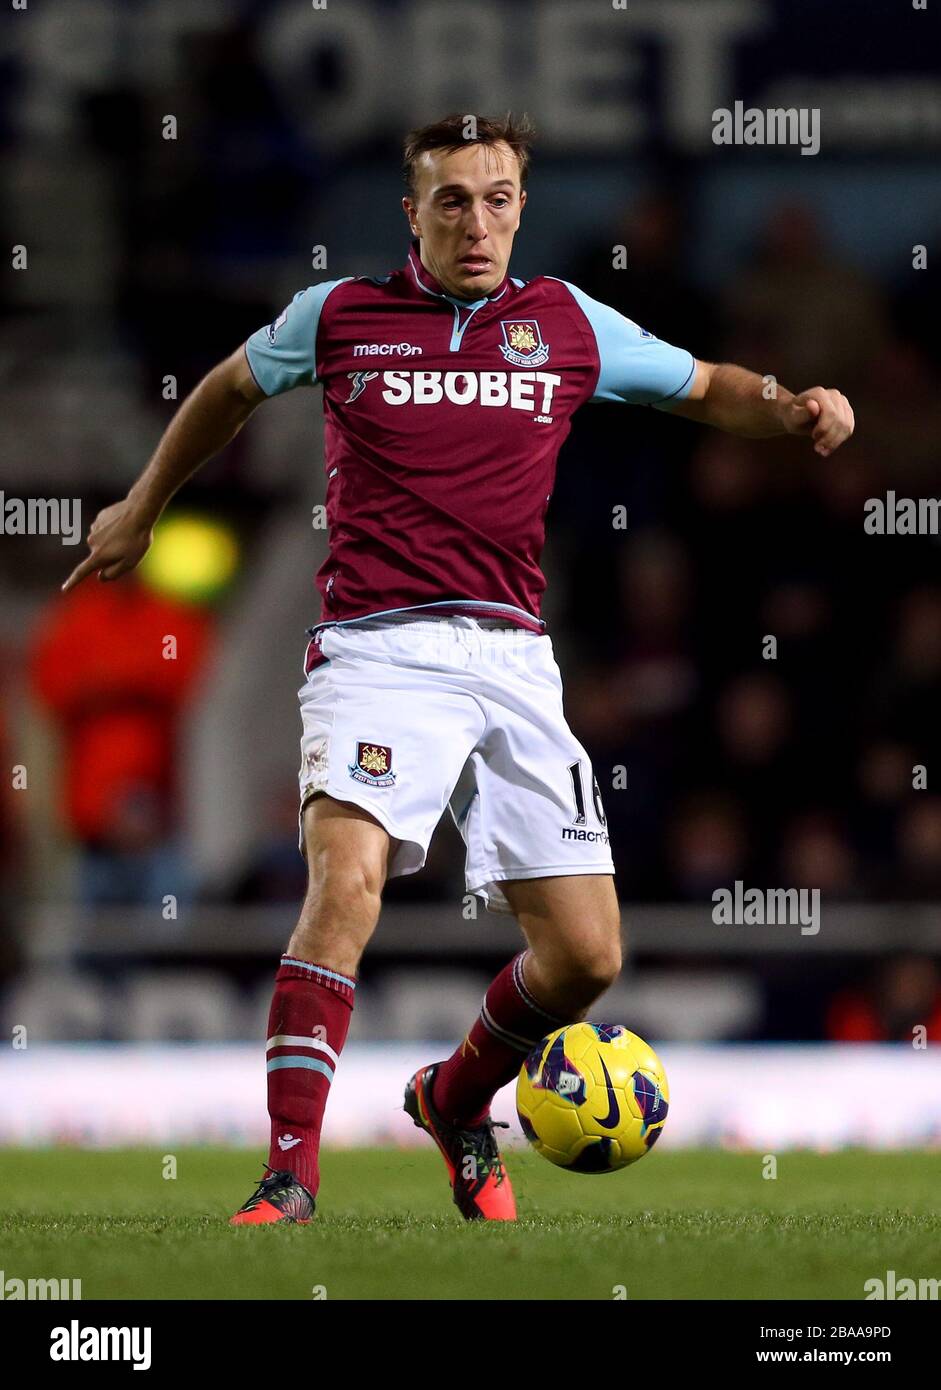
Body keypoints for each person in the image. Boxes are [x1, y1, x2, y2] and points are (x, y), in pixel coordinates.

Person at [63, 113, 855, 1224]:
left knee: (583, 957)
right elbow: (227, 389)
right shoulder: (338, 316)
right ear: (412, 214)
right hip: (374, 647)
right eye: (450, 200)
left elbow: (705, 385)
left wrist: (791, 403)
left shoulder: (566, 323)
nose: (474, 221)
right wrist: (143, 506)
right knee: (345, 887)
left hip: (514, 655)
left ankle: (453, 1096)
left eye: (495, 198)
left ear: (521, 208)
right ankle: (289, 1175)